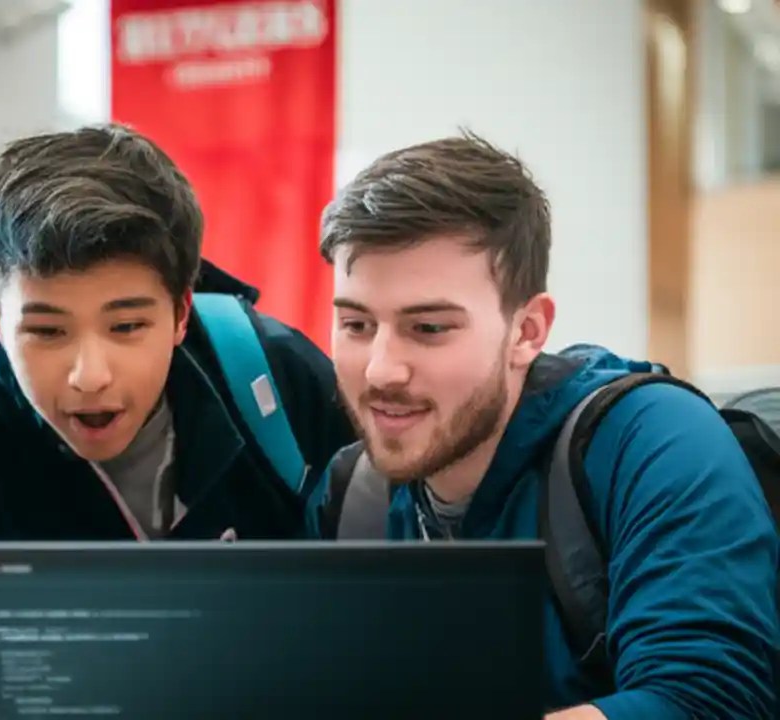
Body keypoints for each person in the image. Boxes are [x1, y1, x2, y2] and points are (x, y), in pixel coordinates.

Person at [319, 131, 778, 719]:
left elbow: (706, 700)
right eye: (357, 326)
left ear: (527, 332)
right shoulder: (352, 497)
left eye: (429, 328)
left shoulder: (652, 440)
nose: (381, 369)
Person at [0, 123, 354, 713]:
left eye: (126, 326)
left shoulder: (275, 377)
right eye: (47, 331)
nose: (89, 375)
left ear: (180, 312)